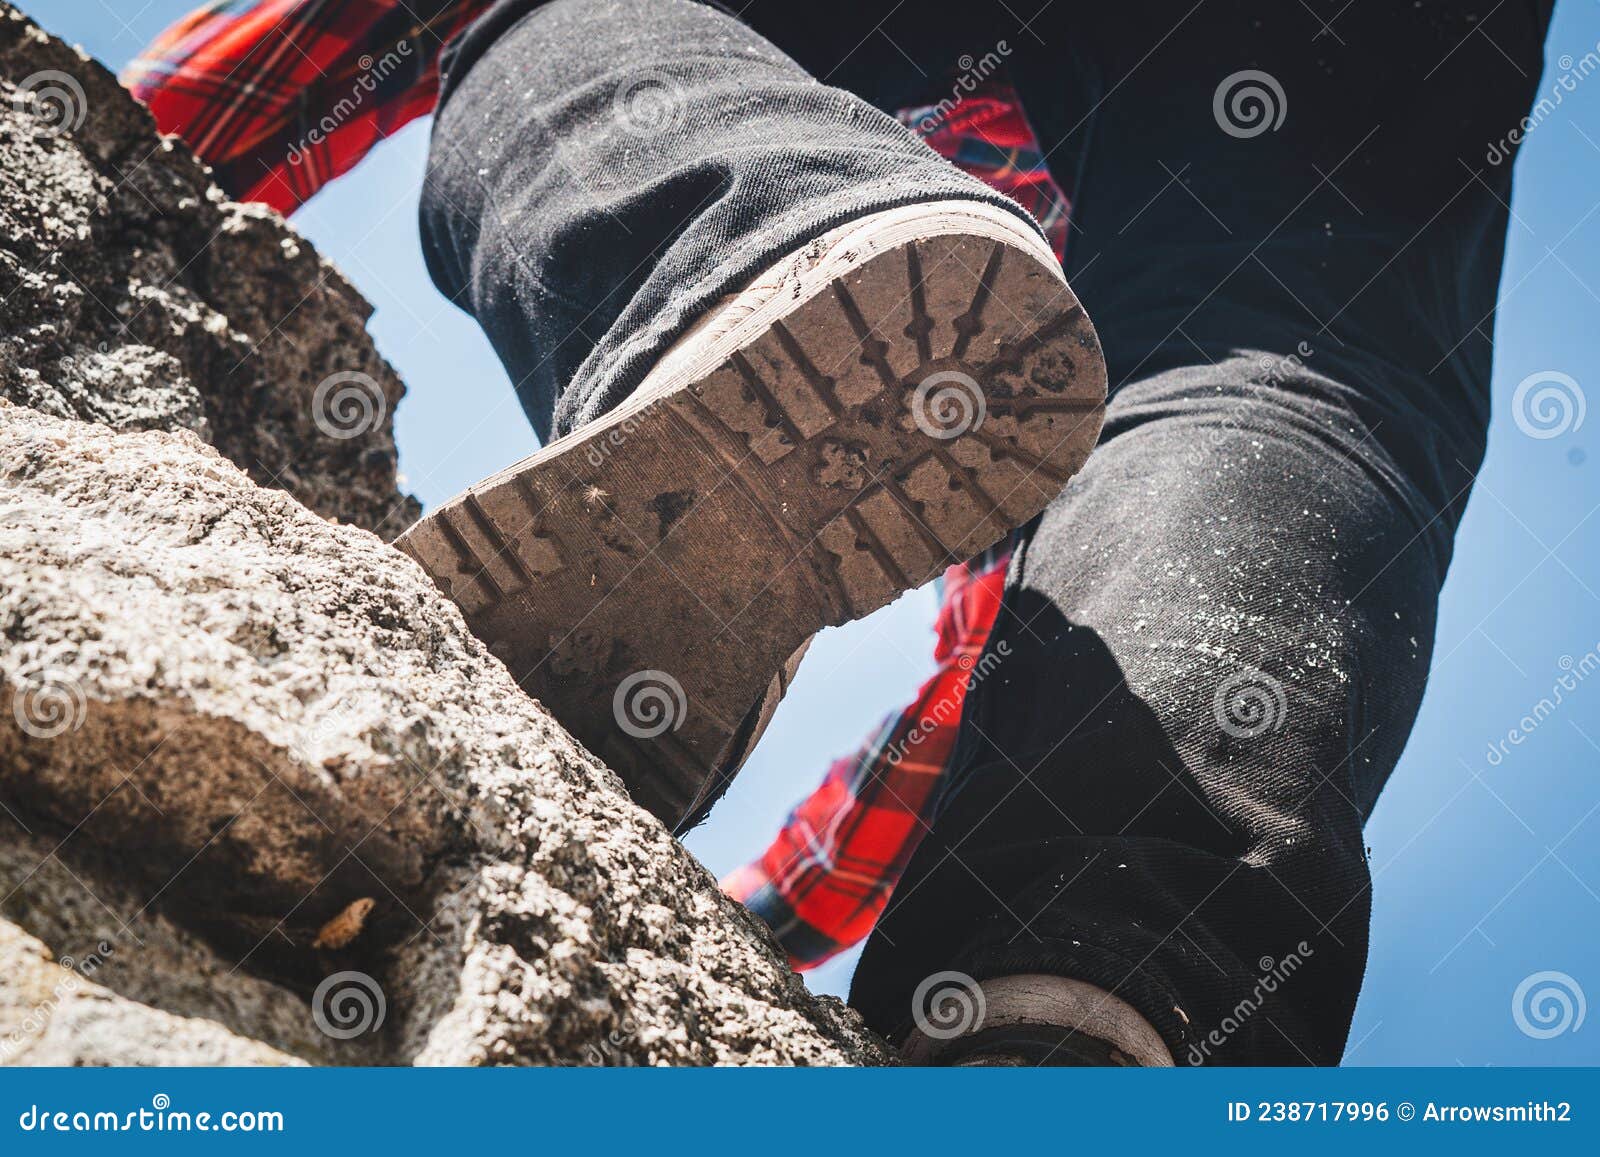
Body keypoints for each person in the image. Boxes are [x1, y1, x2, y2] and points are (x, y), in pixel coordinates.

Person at [127, 0, 1557, 1065]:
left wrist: (94, 156)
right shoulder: (1020, 301)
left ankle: (742, 240)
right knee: (1287, 350)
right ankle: (1098, 1001)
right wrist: (775, 916)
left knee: (560, 20)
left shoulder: (979, 279)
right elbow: (1056, 639)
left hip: (902, 192)